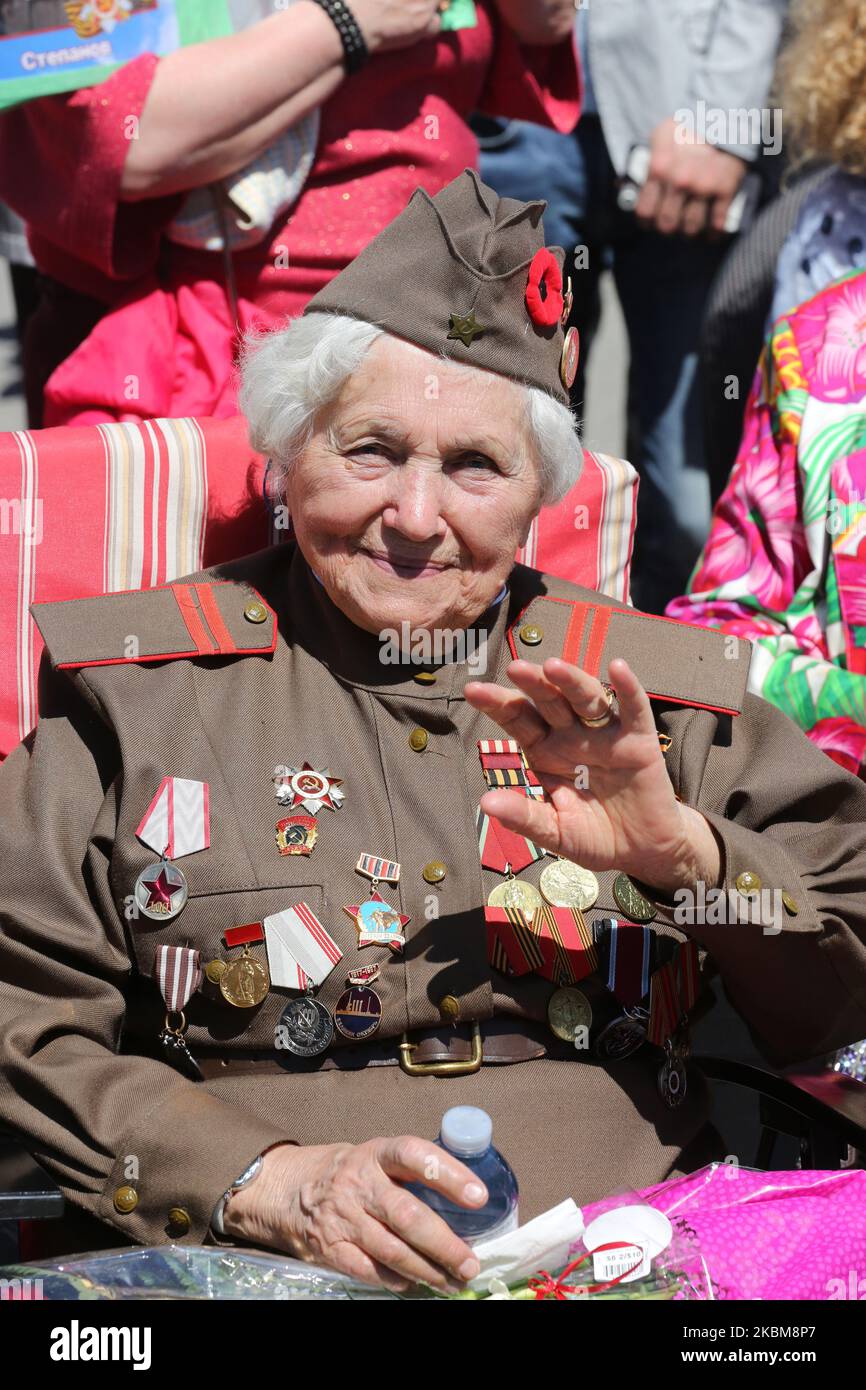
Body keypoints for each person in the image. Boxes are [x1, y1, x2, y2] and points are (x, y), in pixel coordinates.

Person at [1, 170, 865, 1292]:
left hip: (637, 1261)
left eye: (472, 466)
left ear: (537, 493)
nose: (415, 517)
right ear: (286, 454)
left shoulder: (650, 694)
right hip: (255, 1266)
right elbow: (20, 1011)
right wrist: (262, 1179)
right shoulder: (141, 693)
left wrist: (693, 864)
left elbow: (840, 1001)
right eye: (370, 450)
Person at [0, 0, 578, 428]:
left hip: (440, 336)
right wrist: (347, 23)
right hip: (236, 354)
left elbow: (546, 22)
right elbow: (121, 142)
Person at [473, 0, 788, 612]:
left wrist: (724, 120)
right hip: (512, 101)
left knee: (691, 500)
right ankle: (510, 649)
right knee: (502, 442)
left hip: (687, 101)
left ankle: (672, 661)